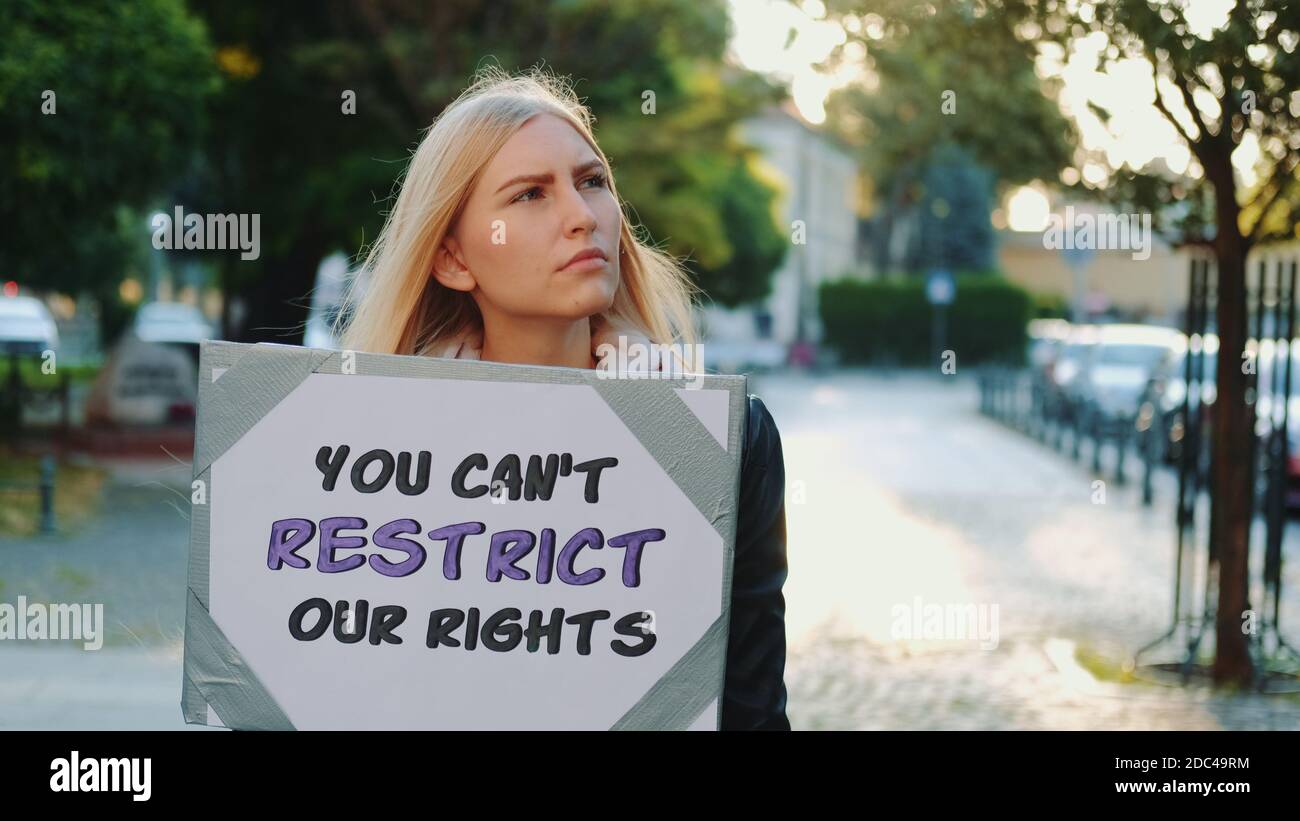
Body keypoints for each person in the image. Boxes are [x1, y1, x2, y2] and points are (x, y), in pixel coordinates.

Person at [337, 66, 790, 730]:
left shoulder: (725, 437)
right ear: (453, 258)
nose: (581, 217)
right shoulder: (357, 444)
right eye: (529, 195)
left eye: (592, 182)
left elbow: (752, 710)